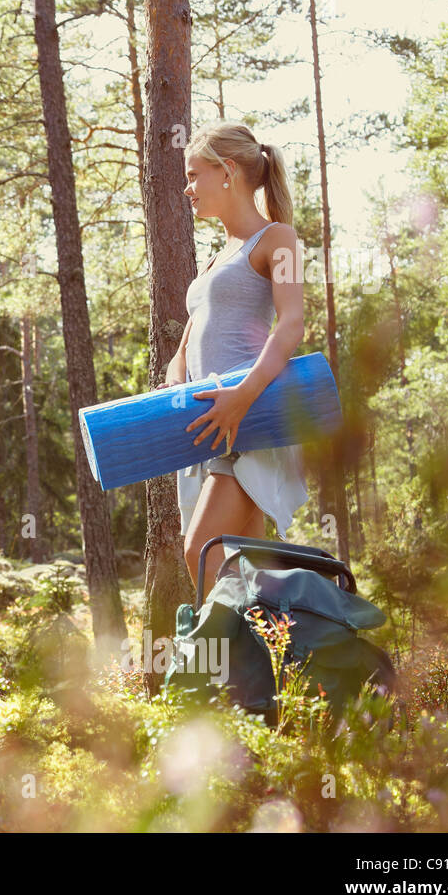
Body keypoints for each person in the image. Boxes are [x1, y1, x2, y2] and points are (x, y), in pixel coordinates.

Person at [158, 121, 310, 598]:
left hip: (250, 418)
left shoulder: (277, 239)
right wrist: (173, 391)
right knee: (243, 572)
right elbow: (185, 348)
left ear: (226, 172)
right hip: (210, 427)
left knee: (200, 549)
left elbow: (290, 326)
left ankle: (223, 671)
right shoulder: (214, 260)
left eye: (193, 175)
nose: (187, 189)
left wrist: (242, 398)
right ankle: (270, 667)